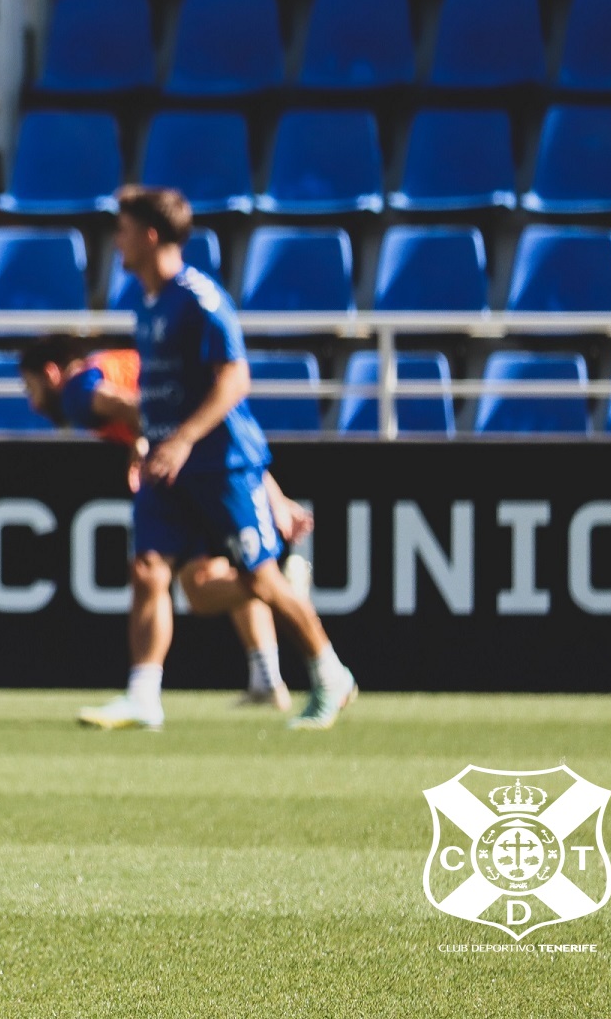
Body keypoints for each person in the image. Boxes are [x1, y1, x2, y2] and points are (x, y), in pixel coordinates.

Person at [67, 186, 357, 732]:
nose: (118, 242)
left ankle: (330, 673)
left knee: (262, 583)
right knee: (150, 570)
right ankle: (143, 695)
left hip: (218, 464)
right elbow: (165, 390)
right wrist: (151, 441)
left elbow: (235, 379)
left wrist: (183, 439)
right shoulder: (147, 302)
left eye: (124, 230)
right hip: (167, 467)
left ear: (151, 235)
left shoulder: (199, 298)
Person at [18, 338, 315, 709]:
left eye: (31, 387)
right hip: (216, 460)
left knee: (173, 578)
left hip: (191, 473)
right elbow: (218, 429)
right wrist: (275, 497)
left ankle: (144, 693)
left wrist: (148, 442)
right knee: (216, 579)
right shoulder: (116, 363)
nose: (32, 402)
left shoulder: (78, 390)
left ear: (51, 372)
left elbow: (143, 411)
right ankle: (267, 677)